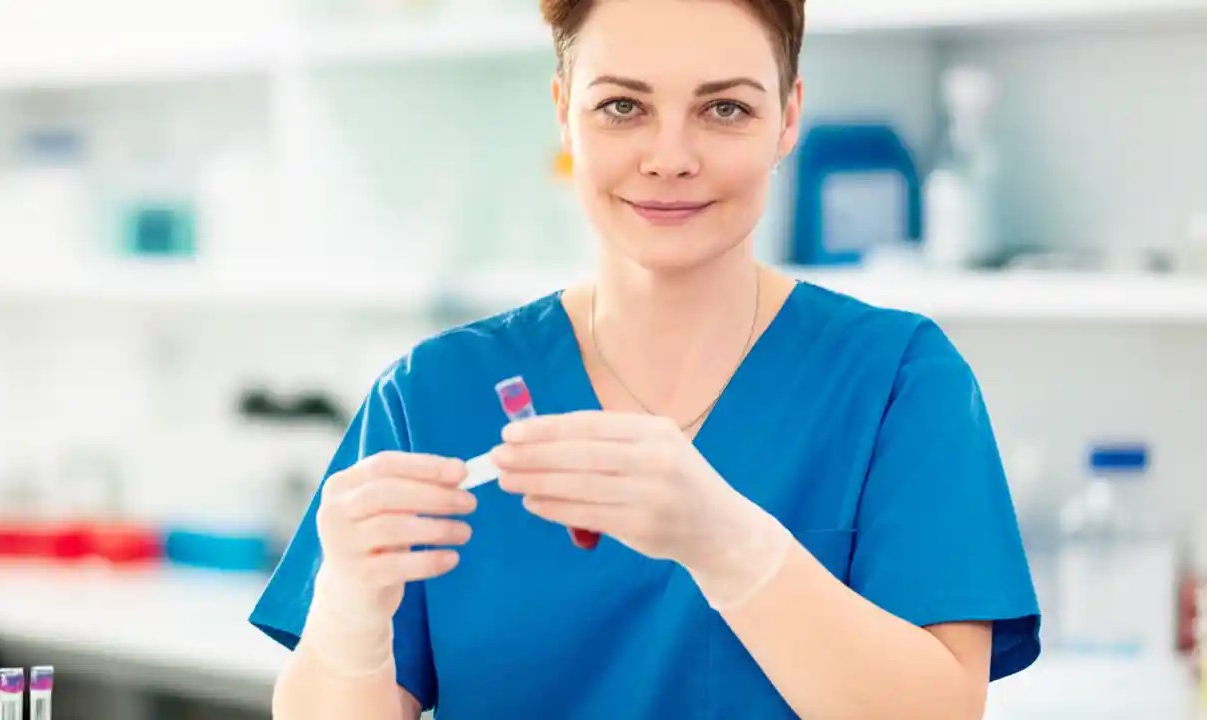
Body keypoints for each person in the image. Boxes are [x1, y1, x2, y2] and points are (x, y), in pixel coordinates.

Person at [251, 0, 1041, 717]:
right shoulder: (433, 397)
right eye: (622, 106)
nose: (670, 157)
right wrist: (347, 612)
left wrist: (728, 544)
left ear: (789, 116)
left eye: (724, 108)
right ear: (565, 112)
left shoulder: (898, 382)